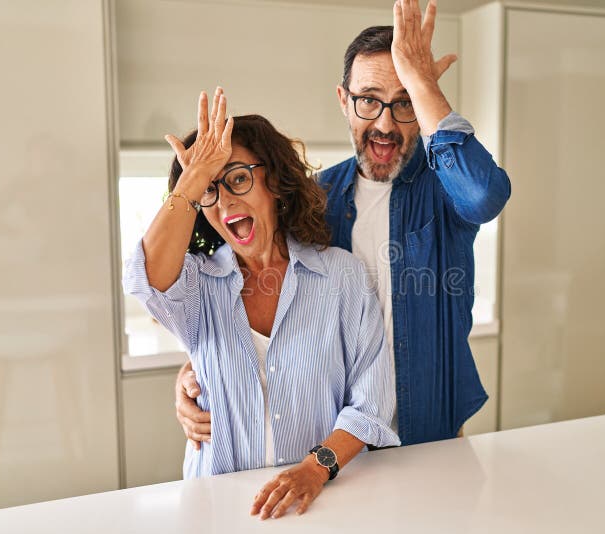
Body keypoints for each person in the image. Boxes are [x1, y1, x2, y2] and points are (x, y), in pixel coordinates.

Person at [175, 0, 511, 448]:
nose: (385, 124)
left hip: (433, 434)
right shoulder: (313, 197)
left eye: (404, 102)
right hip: (337, 445)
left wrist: (424, 83)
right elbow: (256, 291)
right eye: (369, 100)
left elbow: (485, 195)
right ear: (343, 100)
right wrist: (195, 370)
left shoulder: (444, 189)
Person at [124, 91, 399, 520]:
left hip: (320, 503)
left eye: (237, 179)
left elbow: (371, 404)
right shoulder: (196, 284)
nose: (226, 202)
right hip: (219, 508)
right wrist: (191, 181)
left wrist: (314, 469)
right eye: (209, 191)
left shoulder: (341, 276)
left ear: (274, 181)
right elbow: (145, 279)